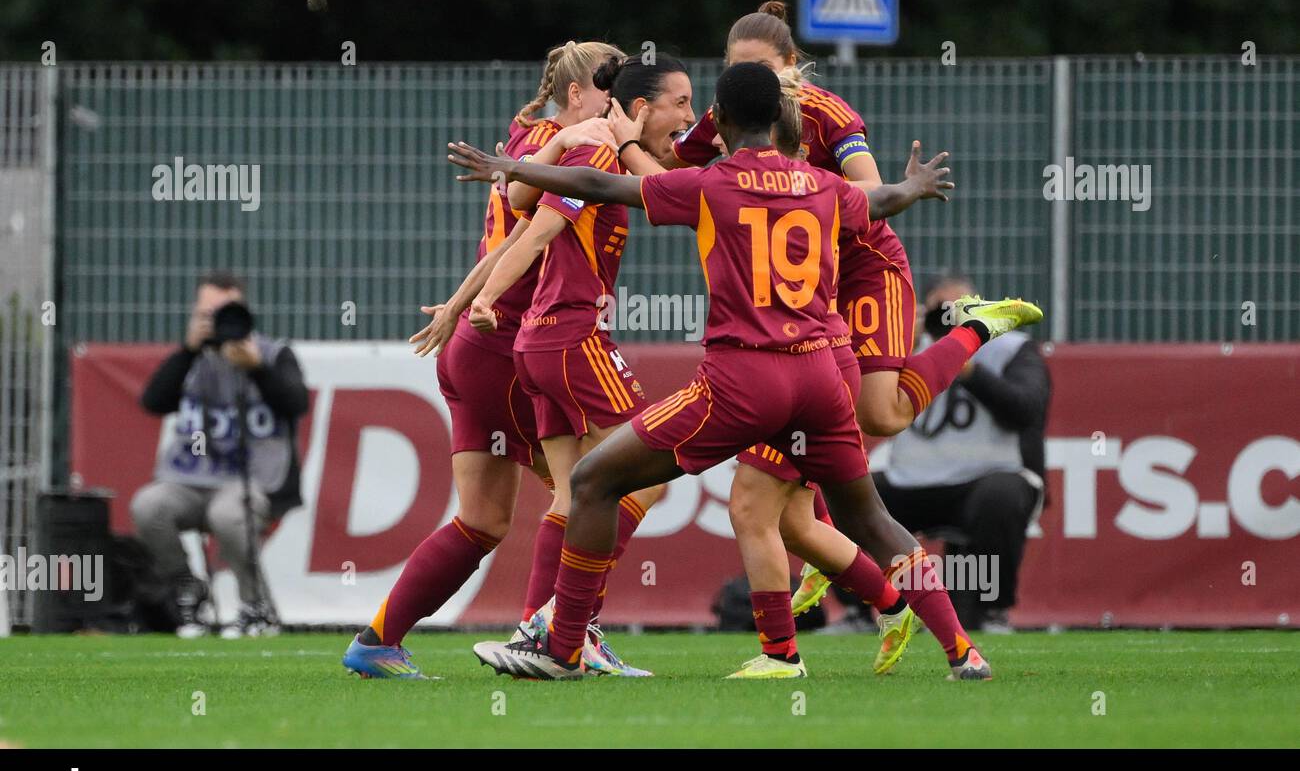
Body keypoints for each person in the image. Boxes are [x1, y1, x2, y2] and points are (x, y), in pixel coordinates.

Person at [454, 62, 1042, 681]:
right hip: (820, 378)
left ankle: (563, 647)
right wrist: (915, 185)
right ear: (780, 122)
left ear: (724, 121)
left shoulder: (711, 183)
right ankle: (962, 651)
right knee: (869, 518)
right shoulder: (820, 184)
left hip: (742, 383)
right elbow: (879, 199)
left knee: (597, 481)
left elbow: (594, 186)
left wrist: (512, 168)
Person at [342, 41, 623, 678]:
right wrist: (474, 301)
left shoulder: (530, 138)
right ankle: (551, 639)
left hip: (479, 347)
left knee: (484, 520)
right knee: (601, 489)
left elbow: (507, 233)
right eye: (609, 89)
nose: (616, 104)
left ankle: (377, 642)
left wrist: (456, 304)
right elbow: (523, 240)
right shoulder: (569, 145)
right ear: (577, 94)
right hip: (508, 345)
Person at [132, 271, 308, 638]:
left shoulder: (272, 353)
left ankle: (253, 605)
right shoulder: (191, 359)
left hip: (250, 479)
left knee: (227, 514)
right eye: (206, 314)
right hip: (189, 478)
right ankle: (186, 588)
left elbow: (296, 403)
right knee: (147, 506)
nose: (217, 322)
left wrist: (256, 368)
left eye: (225, 312)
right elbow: (153, 402)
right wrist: (188, 349)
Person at [872, 272, 1051, 632]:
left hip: (986, 477)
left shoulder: (1010, 348)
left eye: (963, 311)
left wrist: (968, 367)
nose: (951, 321)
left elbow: (1027, 409)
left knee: (998, 499)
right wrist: (905, 336)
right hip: (913, 479)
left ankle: (989, 610)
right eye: (943, 312)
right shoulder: (903, 346)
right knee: (850, 495)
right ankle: (875, 606)